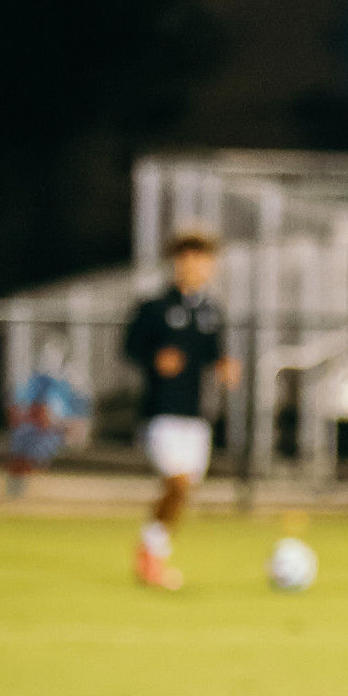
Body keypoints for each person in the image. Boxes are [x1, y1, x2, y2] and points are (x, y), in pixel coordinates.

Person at [124, 231, 238, 590]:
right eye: (189, 258)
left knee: (183, 489)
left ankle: (151, 549)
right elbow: (129, 348)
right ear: (178, 263)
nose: (197, 266)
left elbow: (213, 353)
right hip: (160, 412)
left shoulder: (211, 311)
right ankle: (151, 553)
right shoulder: (153, 307)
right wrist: (154, 358)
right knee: (177, 483)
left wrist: (223, 366)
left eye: (203, 260)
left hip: (195, 414)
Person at [4, 336, 90, 498]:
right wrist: (37, 415)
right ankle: (16, 490)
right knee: (21, 437)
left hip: (59, 431)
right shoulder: (32, 382)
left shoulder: (73, 384)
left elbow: (78, 422)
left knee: (42, 444)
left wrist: (57, 423)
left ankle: (31, 484)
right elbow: (15, 413)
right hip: (35, 429)